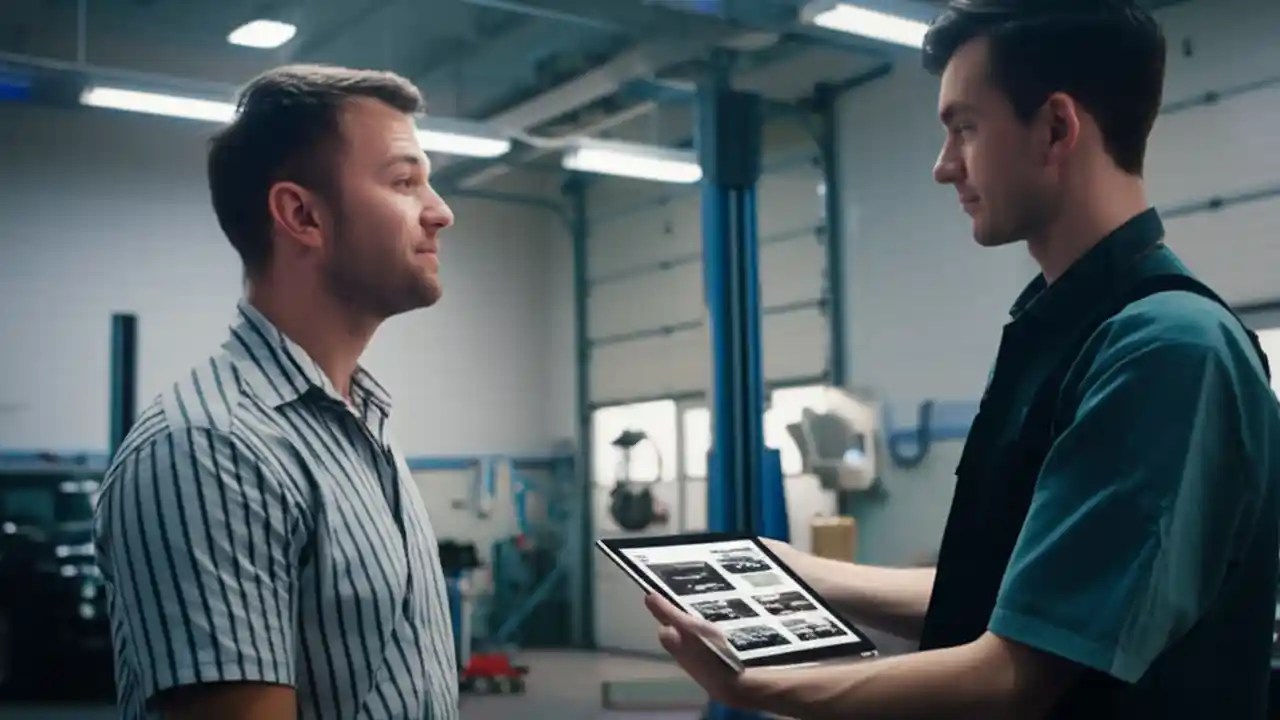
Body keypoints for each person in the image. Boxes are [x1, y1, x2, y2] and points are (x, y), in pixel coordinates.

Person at [644, 1, 1280, 717]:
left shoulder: (1168, 349)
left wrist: (761, 686)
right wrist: (797, 571)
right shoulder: (1065, 333)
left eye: (965, 129)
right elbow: (1010, 595)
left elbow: (1015, 673)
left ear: (1055, 128)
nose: (944, 167)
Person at [93, 64, 459, 719]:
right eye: (406, 182)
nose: (440, 212)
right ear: (301, 215)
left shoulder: (361, 426)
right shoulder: (210, 451)